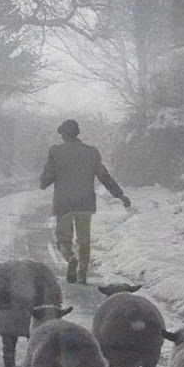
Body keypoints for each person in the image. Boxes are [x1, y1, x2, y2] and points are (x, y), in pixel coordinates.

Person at [39, 118, 130, 284]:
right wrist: (120, 195)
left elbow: (47, 178)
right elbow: (104, 177)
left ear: (63, 135)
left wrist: (43, 182)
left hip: (64, 204)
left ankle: (70, 258)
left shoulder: (56, 152)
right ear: (77, 133)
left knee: (63, 240)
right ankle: (82, 273)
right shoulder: (91, 152)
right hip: (85, 203)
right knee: (84, 241)